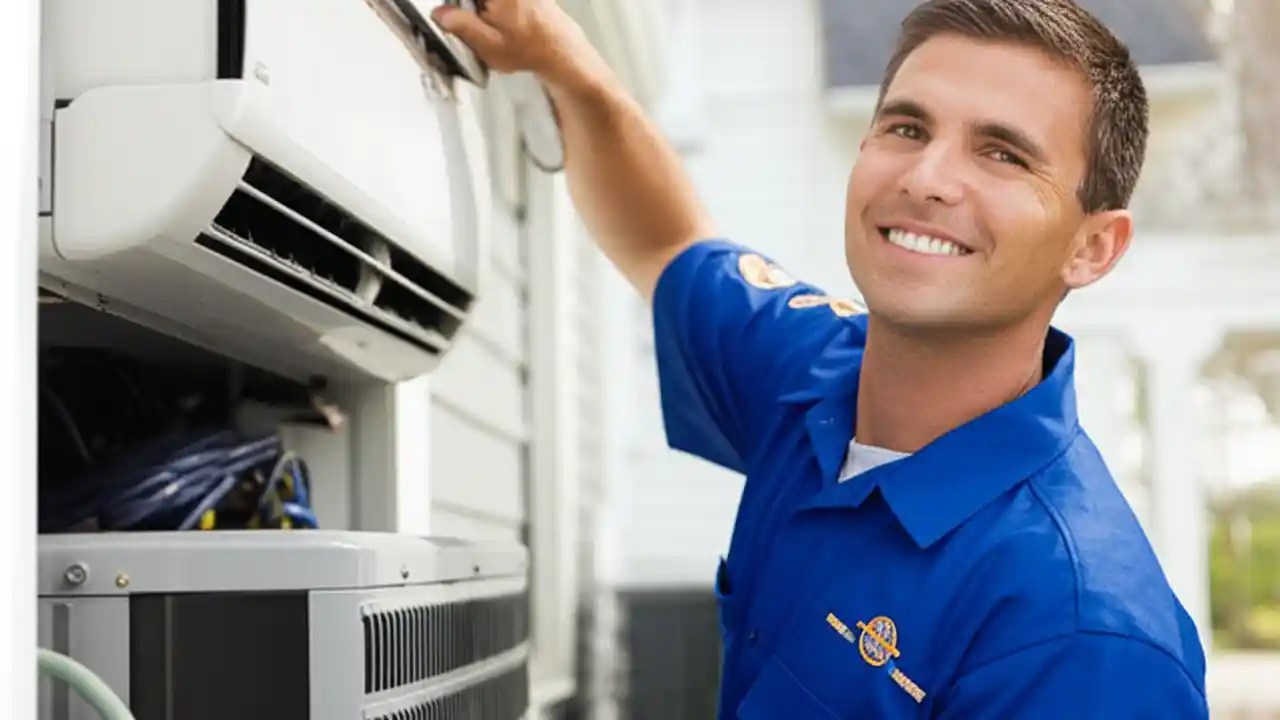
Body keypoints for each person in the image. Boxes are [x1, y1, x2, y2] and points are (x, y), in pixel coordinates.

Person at [433, 0, 1209, 717]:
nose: (926, 179)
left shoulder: (1082, 640)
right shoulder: (810, 371)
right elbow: (668, 241)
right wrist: (567, 64)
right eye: (907, 128)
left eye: (1002, 154)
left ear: (1092, 246)